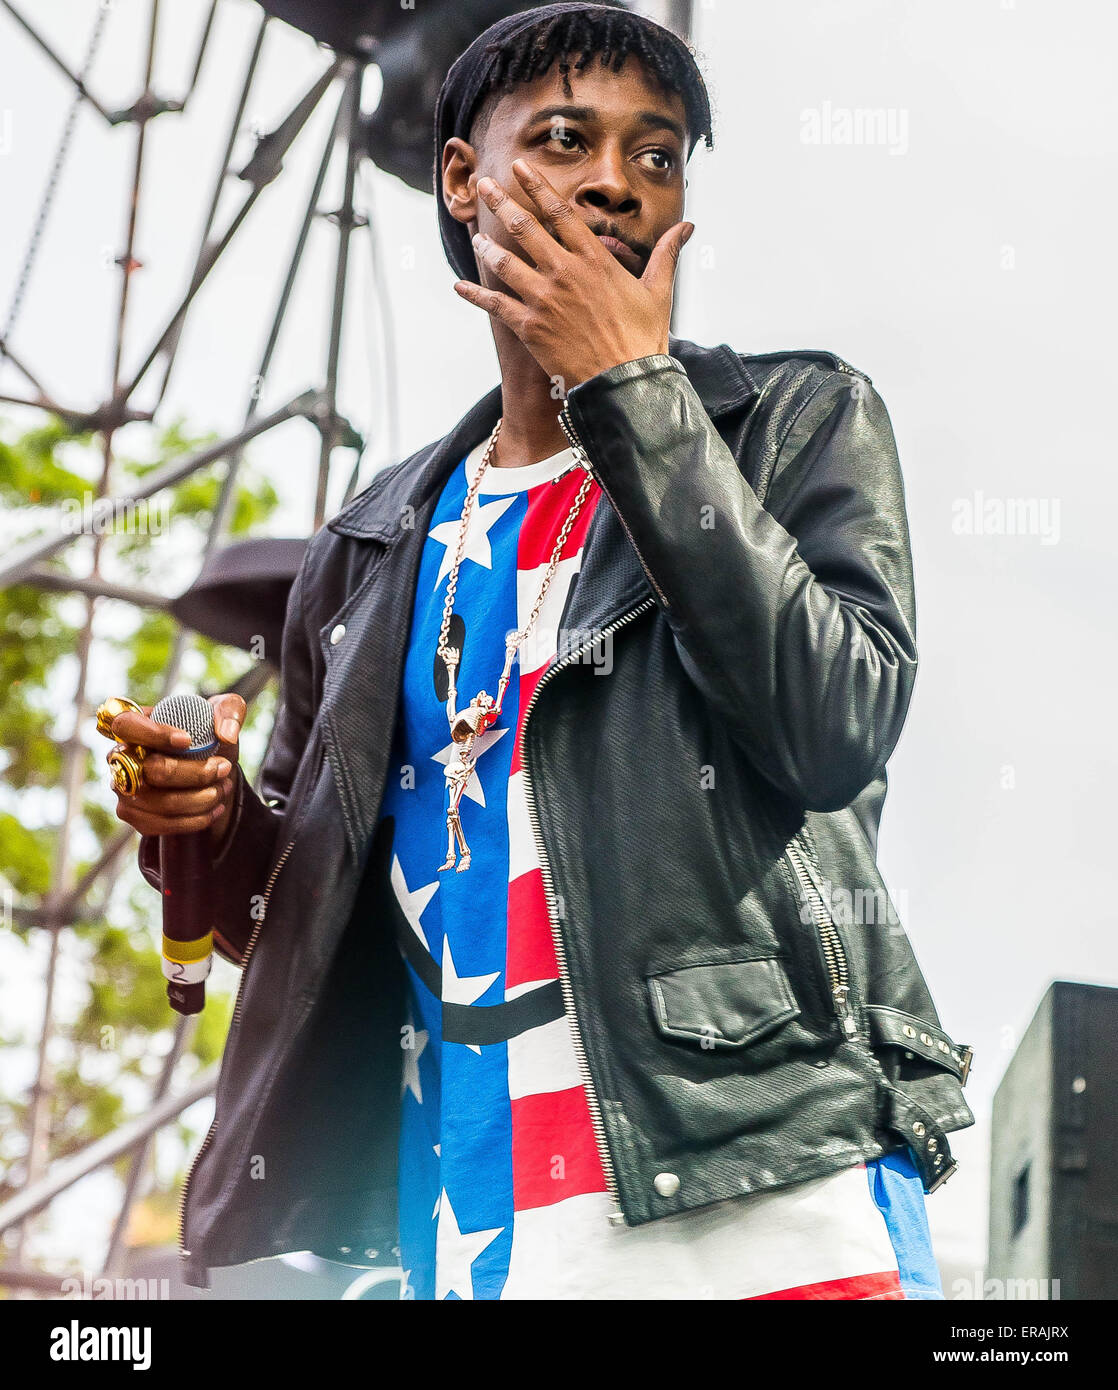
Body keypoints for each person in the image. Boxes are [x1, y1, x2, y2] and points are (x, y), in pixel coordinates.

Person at [112, 2, 974, 1299]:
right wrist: (214, 819)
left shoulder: (791, 422)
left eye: (657, 154)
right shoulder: (372, 541)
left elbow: (828, 726)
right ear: (461, 177)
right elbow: (293, 919)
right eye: (565, 139)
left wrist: (629, 393)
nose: (614, 183)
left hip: (761, 1202)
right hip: (471, 1220)